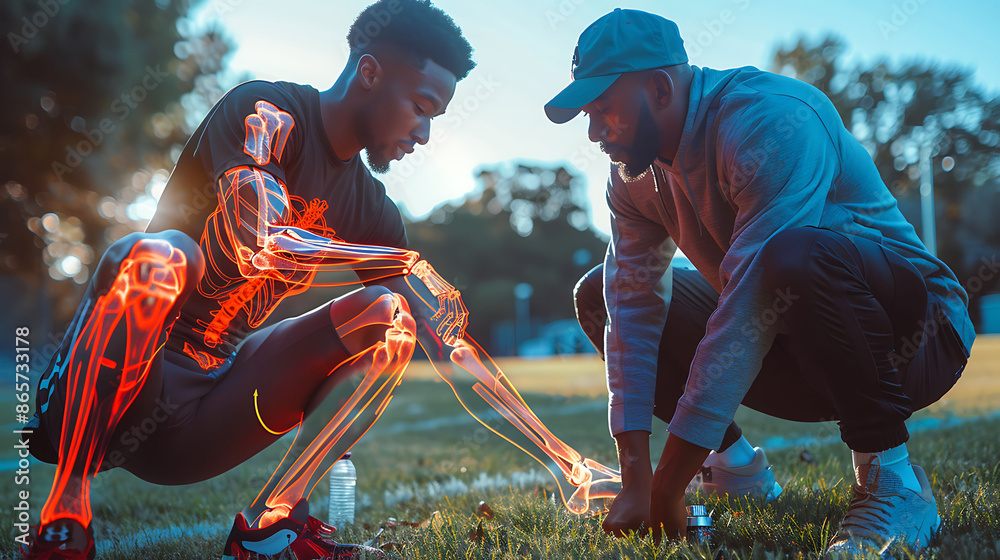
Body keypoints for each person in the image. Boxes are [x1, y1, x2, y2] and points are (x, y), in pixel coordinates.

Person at [21, 2, 619, 559]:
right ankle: (62, 516)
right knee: (163, 255)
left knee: (390, 316)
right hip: (105, 393)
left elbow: (450, 344)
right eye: (421, 107)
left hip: (201, 418)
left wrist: (568, 464)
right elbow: (261, 244)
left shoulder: (373, 209)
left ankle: (269, 525)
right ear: (369, 71)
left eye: (435, 117)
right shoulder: (267, 112)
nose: (425, 134)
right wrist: (407, 264)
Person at [546, 8, 973, 555]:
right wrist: (637, 478)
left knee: (792, 255)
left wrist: (669, 483)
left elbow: (750, 301)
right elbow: (632, 301)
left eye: (603, 108)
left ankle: (894, 481)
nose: (593, 131)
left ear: (657, 88)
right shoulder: (633, 173)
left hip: (916, 341)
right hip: (798, 352)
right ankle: (735, 469)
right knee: (602, 295)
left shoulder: (769, 119)